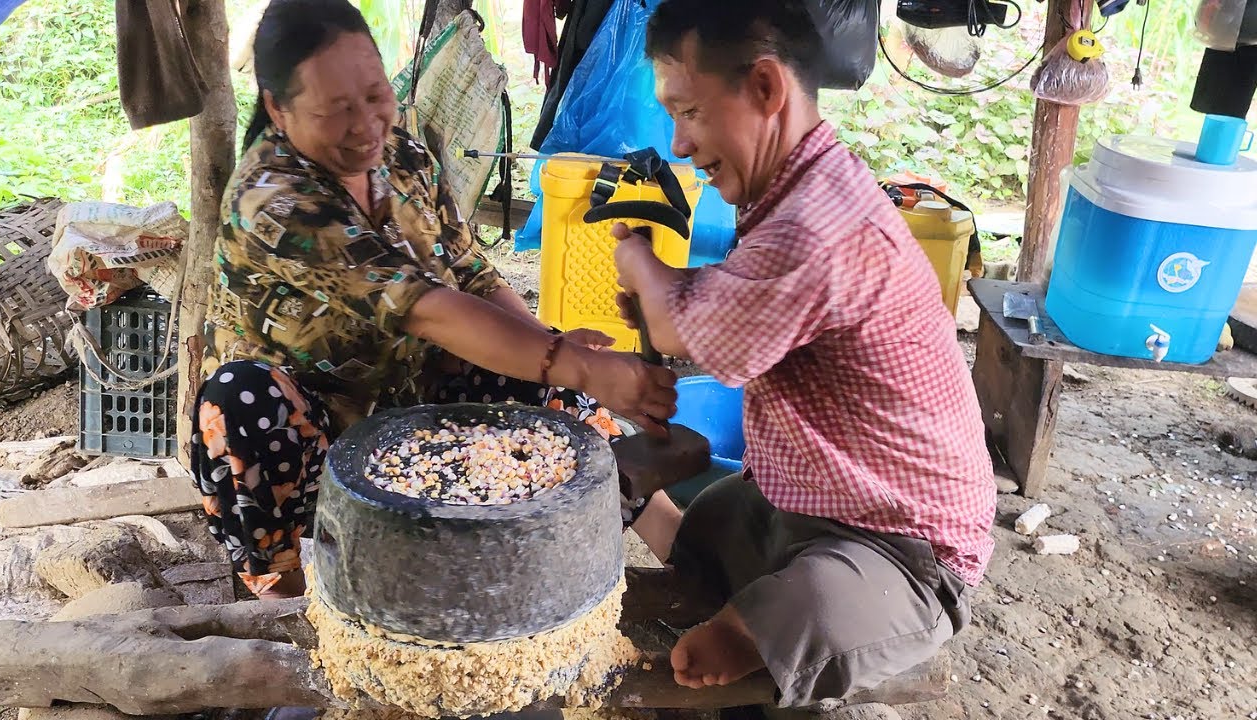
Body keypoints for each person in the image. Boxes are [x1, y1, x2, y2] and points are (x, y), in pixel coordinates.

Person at [192, 0, 677, 601]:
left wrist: (554, 363)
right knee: (241, 399)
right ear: (277, 108)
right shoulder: (272, 200)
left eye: (375, 96)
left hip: (413, 398)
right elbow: (421, 303)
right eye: (337, 109)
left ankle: (680, 543)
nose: (367, 124)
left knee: (545, 370)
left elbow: (470, 273)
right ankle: (285, 596)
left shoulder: (402, 157)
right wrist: (570, 362)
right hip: (311, 437)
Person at [611, 0, 997, 709]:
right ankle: (666, 532)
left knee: (813, 605)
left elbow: (679, 333)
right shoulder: (796, 190)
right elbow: (732, 302)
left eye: (689, 111)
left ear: (765, 89)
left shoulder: (818, 220)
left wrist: (637, 259)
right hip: (814, 495)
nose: (678, 143)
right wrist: (672, 290)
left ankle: (759, 631)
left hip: (904, 546)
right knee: (724, 519)